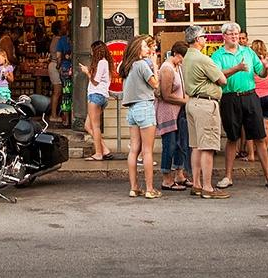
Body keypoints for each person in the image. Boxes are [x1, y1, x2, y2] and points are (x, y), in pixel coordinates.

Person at [211, 22, 268, 190]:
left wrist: (266, 67)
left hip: (250, 96)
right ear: (224, 36)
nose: (235, 37)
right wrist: (237, 68)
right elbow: (218, 75)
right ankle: (228, 176)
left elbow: (261, 73)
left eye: (237, 34)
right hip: (230, 97)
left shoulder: (248, 52)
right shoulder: (218, 55)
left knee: (259, 137)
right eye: (231, 34)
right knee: (232, 138)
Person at [181, 24, 230, 199]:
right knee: (208, 147)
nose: (205, 39)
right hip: (206, 104)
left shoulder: (186, 58)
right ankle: (208, 187)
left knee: (195, 146)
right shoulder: (203, 59)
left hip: (192, 102)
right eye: (203, 37)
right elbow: (222, 80)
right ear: (196, 39)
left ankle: (196, 184)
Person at [120, 35, 161, 198]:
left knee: (134, 150)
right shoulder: (142, 65)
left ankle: (134, 187)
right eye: (144, 46)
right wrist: (155, 66)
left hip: (131, 109)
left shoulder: (126, 66)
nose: (147, 49)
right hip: (144, 106)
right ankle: (150, 189)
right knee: (147, 151)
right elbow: (155, 84)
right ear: (138, 49)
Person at [156, 41, 190, 190]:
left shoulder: (178, 67)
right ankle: (166, 178)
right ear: (176, 54)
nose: (183, 61)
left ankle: (179, 174)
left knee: (180, 144)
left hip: (179, 111)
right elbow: (166, 95)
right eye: (182, 57)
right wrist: (184, 101)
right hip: (168, 111)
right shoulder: (167, 69)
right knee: (169, 145)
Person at [79, 40, 114, 161]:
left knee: (95, 126)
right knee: (87, 126)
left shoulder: (101, 63)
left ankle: (98, 153)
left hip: (96, 95)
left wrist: (87, 72)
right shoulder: (106, 63)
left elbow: (95, 81)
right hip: (102, 96)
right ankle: (105, 149)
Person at [250, 39, 268, 161]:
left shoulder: (251, 63)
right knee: (267, 126)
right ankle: (264, 153)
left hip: (255, 96)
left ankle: (251, 154)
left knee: (251, 126)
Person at [47, 22, 72, 126]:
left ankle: (61, 116)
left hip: (58, 66)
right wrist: (59, 66)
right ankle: (53, 115)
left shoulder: (58, 39)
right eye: (63, 26)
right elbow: (58, 56)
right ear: (58, 29)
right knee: (58, 92)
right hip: (57, 66)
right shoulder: (59, 40)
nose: (65, 28)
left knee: (62, 93)